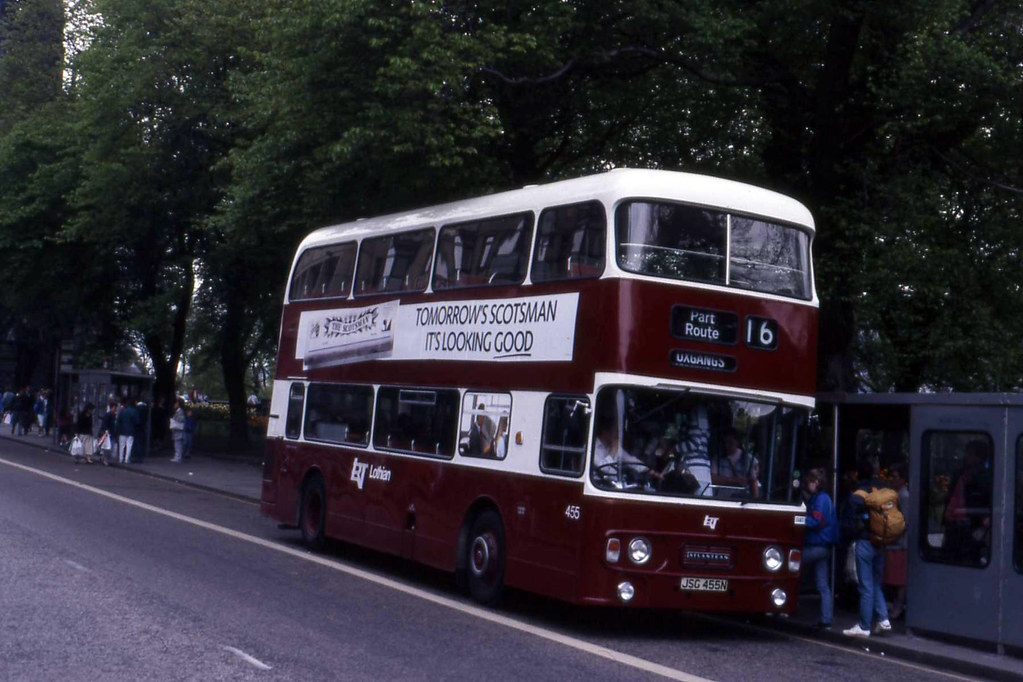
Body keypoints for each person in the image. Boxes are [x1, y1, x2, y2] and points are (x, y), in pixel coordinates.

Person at [841, 458, 892, 638]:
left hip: (864, 542)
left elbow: (847, 524)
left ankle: (864, 626)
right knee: (876, 582)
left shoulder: (857, 495)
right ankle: (884, 619)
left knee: (865, 585)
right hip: (882, 541)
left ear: (857, 474)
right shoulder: (881, 491)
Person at [942, 440, 992, 565]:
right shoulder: (959, 474)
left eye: (969, 453)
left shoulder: (986, 478)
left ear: (978, 457)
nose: (965, 456)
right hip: (953, 526)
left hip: (972, 529)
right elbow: (951, 496)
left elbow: (988, 503)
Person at [802, 468, 839, 628]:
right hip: (825, 545)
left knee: (790, 565)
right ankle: (826, 619)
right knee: (823, 584)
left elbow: (816, 521)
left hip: (816, 544)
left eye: (809, 481)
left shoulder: (820, 499)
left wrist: (799, 521)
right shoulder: (826, 498)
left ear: (816, 482)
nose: (807, 484)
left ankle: (782, 606)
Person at [883, 462, 909, 619]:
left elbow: (905, 521)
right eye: (890, 476)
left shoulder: (904, 497)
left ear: (902, 479)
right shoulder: (894, 495)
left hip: (899, 544)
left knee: (898, 580)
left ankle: (898, 606)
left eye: (895, 476)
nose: (891, 479)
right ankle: (895, 605)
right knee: (892, 578)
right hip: (892, 542)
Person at [592, 418, 650, 485]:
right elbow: (604, 469)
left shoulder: (613, 446)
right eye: (615, 432)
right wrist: (613, 451)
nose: (617, 435)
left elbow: (630, 460)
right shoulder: (593, 448)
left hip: (615, 483)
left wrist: (650, 471)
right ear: (605, 432)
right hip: (599, 484)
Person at [711, 429, 760, 498]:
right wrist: (734, 480)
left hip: (742, 502)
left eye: (730, 442)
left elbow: (753, 482)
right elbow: (713, 479)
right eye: (725, 442)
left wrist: (755, 502)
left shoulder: (749, 460)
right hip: (721, 500)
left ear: (737, 442)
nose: (726, 446)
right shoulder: (717, 459)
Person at [115, 396, 140, 464]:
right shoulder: (134, 411)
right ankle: (127, 459)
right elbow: (137, 421)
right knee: (129, 445)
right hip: (131, 430)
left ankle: (120, 459)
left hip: (122, 431)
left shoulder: (122, 411)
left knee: (122, 445)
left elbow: (118, 421)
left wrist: (117, 429)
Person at [96, 401, 117, 466]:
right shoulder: (109, 415)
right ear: (112, 407)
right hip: (108, 434)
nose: (115, 409)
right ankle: (104, 459)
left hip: (109, 433)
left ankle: (103, 458)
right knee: (108, 447)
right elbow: (106, 424)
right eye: (115, 408)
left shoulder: (112, 415)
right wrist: (106, 432)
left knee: (107, 447)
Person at [169, 398, 186, 463]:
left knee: (178, 445)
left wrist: (175, 420)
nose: (175, 404)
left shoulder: (179, 411)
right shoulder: (179, 411)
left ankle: (178, 457)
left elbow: (181, 419)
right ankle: (177, 457)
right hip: (178, 431)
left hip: (178, 431)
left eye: (176, 403)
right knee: (178, 445)